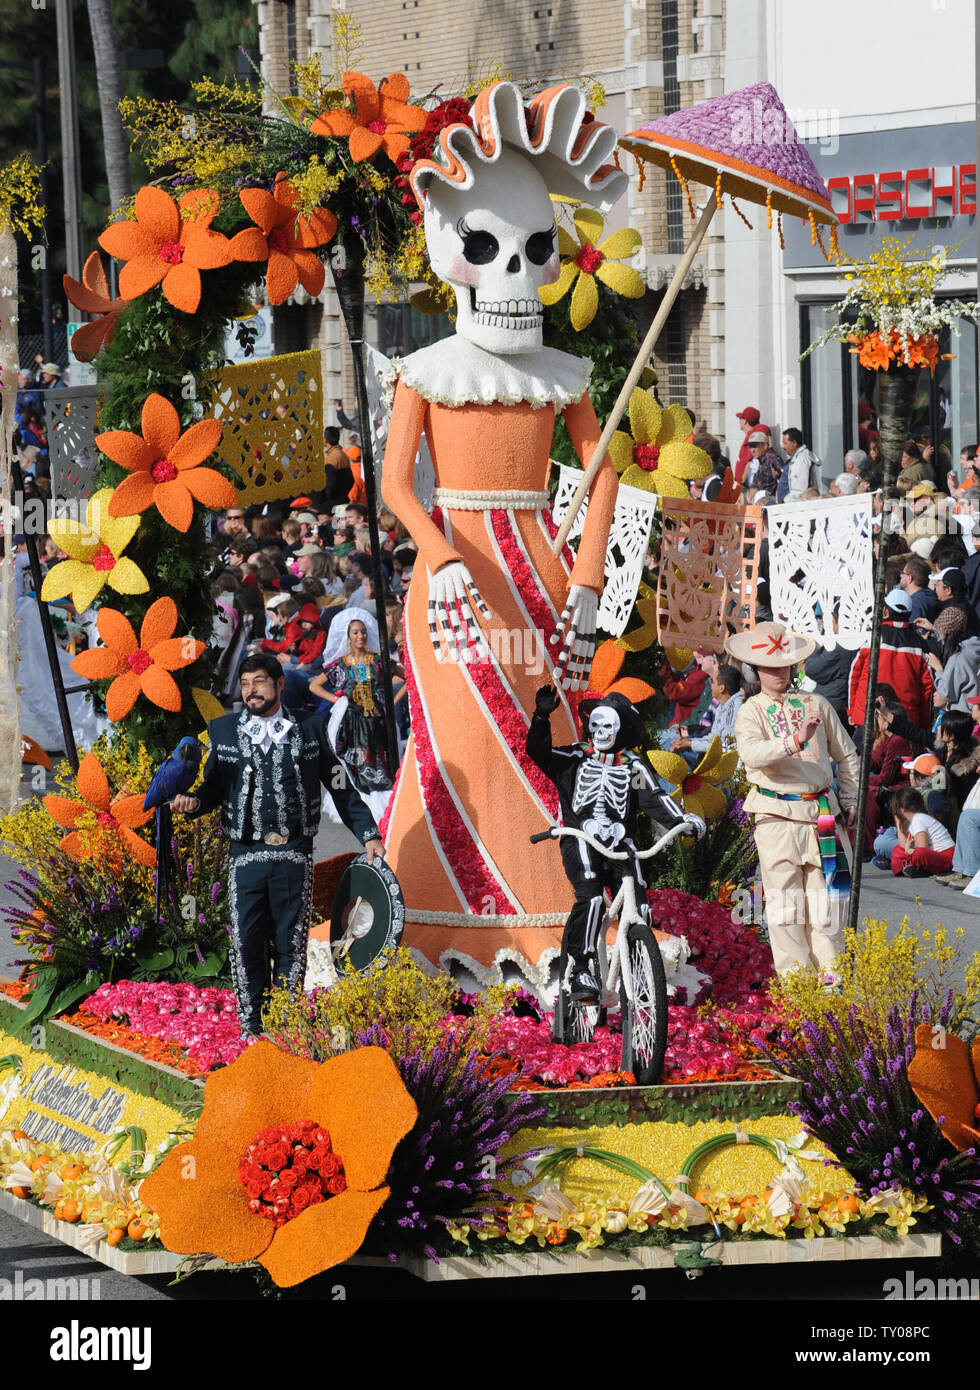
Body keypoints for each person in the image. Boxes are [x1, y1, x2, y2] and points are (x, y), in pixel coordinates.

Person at [169, 654, 384, 1035]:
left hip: (293, 854)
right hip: (245, 856)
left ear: (280, 685)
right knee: (247, 942)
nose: (251, 691)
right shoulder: (222, 731)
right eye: (246, 683)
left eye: (260, 682)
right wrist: (194, 803)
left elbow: (340, 787)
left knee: (291, 943)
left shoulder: (313, 728)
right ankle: (251, 1027)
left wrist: (369, 834)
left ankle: (283, 1023)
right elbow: (212, 789)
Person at [526, 684, 702, 1002]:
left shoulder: (633, 766)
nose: (602, 732)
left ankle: (637, 966)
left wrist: (683, 821)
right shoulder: (574, 758)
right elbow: (538, 753)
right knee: (592, 897)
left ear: (621, 729)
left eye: (609, 725)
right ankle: (580, 967)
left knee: (641, 902)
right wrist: (540, 718)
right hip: (580, 838)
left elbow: (656, 798)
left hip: (620, 843)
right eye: (597, 724)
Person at [727, 620, 859, 979]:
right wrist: (795, 740)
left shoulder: (817, 703)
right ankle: (799, 998)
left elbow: (847, 755)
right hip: (776, 817)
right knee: (785, 910)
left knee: (828, 909)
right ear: (756, 669)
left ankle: (834, 992)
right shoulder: (750, 710)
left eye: (783, 665)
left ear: (793, 665)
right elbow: (752, 754)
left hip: (822, 815)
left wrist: (850, 799)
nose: (778, 673)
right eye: (770, 667)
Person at [308, 610, 402, 815]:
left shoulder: (379, 660)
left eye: (363, 632)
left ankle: (386, 808)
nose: (361, 636)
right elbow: (314, 686)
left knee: (384, 764)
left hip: (379, 721)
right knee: (356, 763)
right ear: (348, 637)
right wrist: (337, 699)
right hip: (352, 723)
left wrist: (392, 702)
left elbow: (408, 677)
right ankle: (362, 809)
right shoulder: (341, 664)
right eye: (355, 633)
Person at [847, 588, 933, 731]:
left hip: (868, 718)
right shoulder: (920, 645)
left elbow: (854, 676)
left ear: (885, 611)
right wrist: (923, 725)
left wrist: (852, 712)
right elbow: (927, 691)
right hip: (906, 723)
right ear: (910, 614)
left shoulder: (872, 637)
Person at [889, 786, 955, 878]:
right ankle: (914, 868)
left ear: (902, 808)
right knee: (897, 850)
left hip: (946, 856)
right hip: (932, 855)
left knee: (919, 853)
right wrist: (898, 823)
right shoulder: (910, 822)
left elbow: (922, 848)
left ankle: (917, 869)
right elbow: (903, 846)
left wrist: (908, 850)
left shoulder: (918, 819)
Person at [778, 428, 820, 503]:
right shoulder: (795, 458)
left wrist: (785, 501)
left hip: (792, 506)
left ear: (794, 443)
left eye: (785, 443)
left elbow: (799, 490)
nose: (783, 447)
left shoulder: (801, 459)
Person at [899, 555, 938, 622]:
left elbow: (912, 631)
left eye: (903, 573)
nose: (900, 575)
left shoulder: (915, 605)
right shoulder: (931, 596)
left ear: (909, 578)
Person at [744, 430, 781, 500]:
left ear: (765, 445)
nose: (752, 450)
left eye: (754, 446)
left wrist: (778, 475)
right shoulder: (760, 460)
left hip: (770, 505)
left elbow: (782, 480)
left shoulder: (773, 459)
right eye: (750, 447)